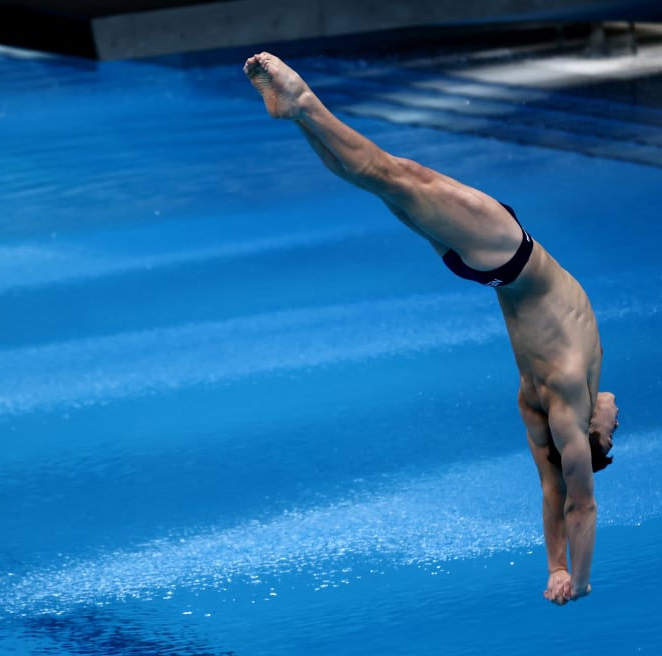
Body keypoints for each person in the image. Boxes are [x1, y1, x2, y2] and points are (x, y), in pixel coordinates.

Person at [243, 52, 619, 605]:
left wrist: (579, 580)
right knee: (382, 181)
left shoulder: (570, 395)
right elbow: (550, 488)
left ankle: (301, 101)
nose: (618, 413)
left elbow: (579, 502)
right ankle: (298, 114)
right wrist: (554, 568)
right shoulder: (545, 406)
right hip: (486, 270)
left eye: (615, 426)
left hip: (509, 253)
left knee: (392, 173)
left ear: (596, 436)